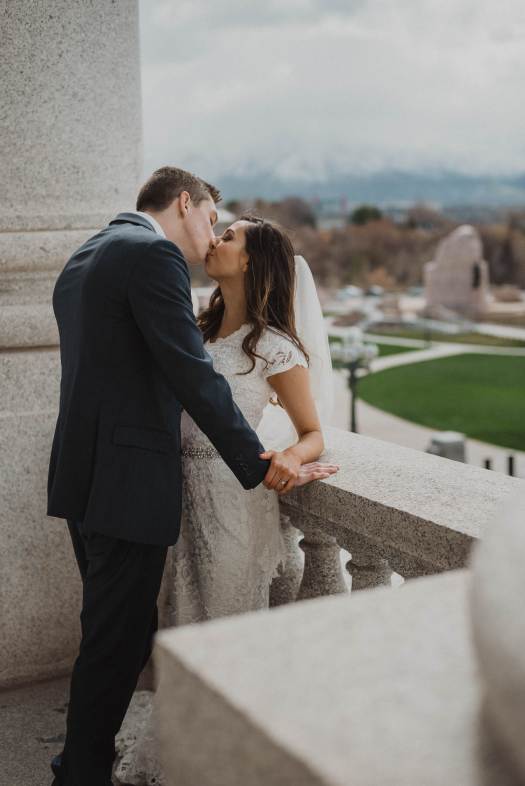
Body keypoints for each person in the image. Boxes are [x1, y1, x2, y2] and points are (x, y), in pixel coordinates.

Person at [47, 167, 336, 786]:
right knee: (118, 640)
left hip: (86, 475)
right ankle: (80, 771)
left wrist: (287, 454)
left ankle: (88, 760)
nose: (211, 235)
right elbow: (191, 374)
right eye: (212, 220)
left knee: (121, 633)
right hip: (130, 485)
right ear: (185, 203)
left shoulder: (89, 253)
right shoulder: (152, 256)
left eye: (227, 233)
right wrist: (258, 465)